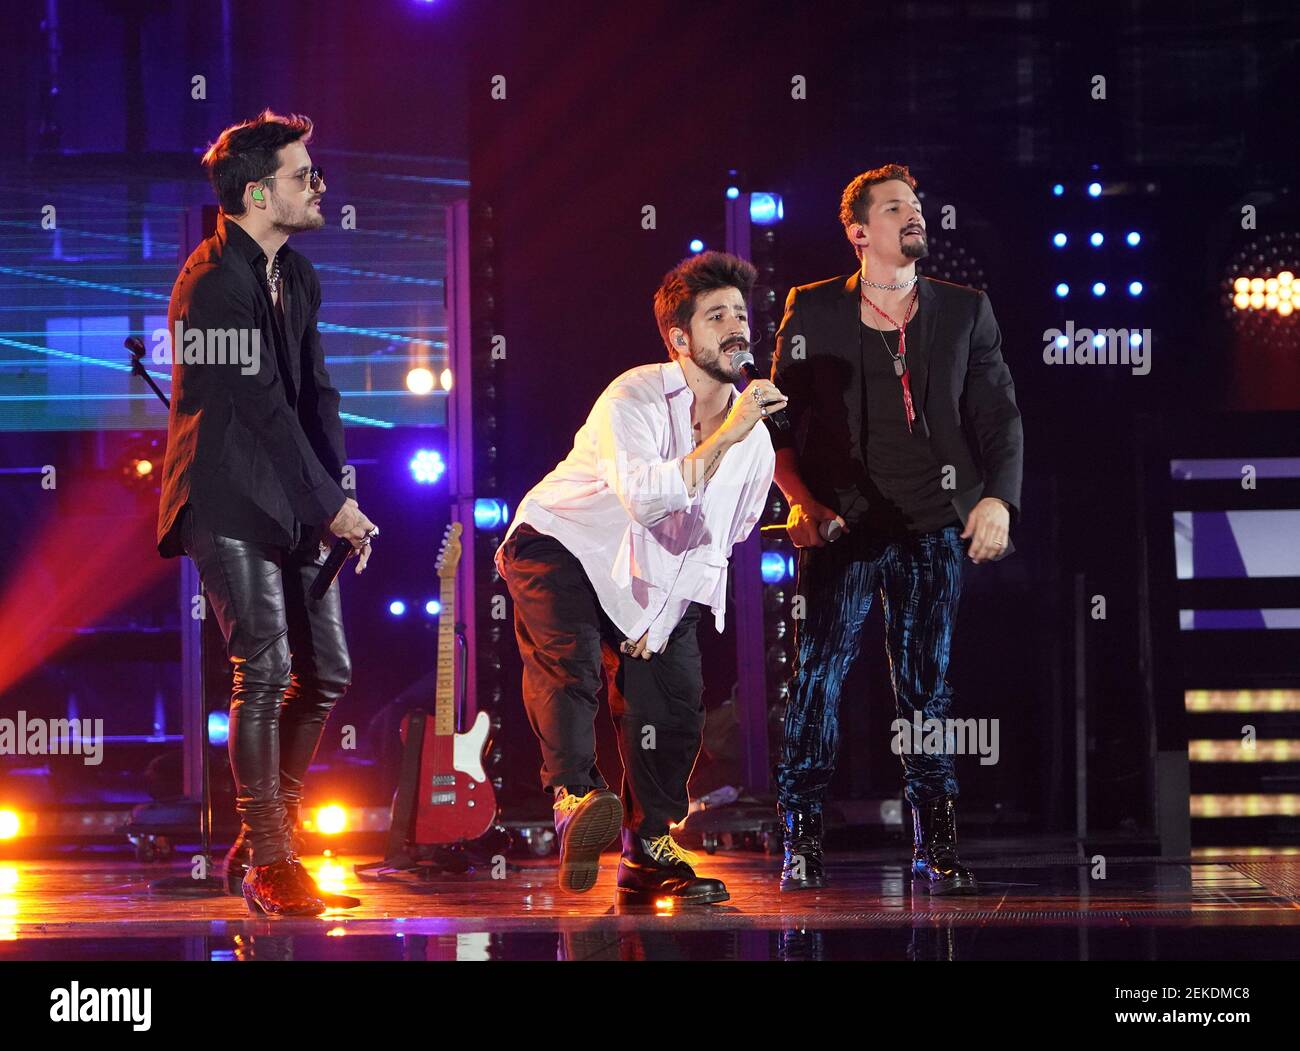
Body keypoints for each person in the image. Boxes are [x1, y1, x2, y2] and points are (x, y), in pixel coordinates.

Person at [496, 251, 780, 904]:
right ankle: (574, 797)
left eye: (740, 312)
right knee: (571, 664)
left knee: (675, 704)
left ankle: (649, 846)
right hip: (562, 542)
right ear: (680, 338)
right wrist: (728, 435)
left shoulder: (757, 443)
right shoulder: (637, 395)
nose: (737, 325)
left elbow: (718, 542)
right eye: (716, 316)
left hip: (653, 581)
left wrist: (660, 621)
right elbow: (648, 499)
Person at [770, 164, 1023, 895]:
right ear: (859, 233)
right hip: (845, 522)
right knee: (818, 678)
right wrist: (801, 500)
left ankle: (936, 845)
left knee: (928, 689)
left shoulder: (965, 308)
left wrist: (998, 500)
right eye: (895, 208)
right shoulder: (813, 309)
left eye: (917, 206)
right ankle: (802, 841)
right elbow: (775, 419)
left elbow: (998, 415)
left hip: (933, 522)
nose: (915, 217)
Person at [156, 111, 378, 915]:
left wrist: (338, 496)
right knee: (268, 670)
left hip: (293, 495)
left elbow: (315, 397)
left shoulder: (299, 275)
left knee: (329, 672)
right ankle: (271, 860)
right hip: (225, 492)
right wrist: (331, 505)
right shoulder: (212, 282)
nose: (318, 186)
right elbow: (255, 407)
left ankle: (263, 836)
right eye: (302, 175)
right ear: (257, 192)